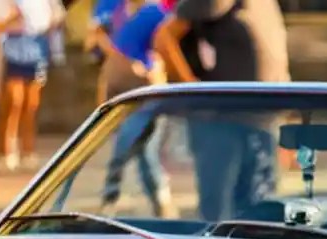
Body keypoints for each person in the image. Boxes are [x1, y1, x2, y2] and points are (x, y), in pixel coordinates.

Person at [153, 0, 290, 221]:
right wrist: (192, 87)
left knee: (263, 215)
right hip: (220, 121)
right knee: (219, 214)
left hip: (264, 121)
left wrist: (287, 120)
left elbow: (276, 57)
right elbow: (164, 38)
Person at [97, 0, 177, 217]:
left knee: (126, 143)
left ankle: (109, 196)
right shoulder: (114, 8)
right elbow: (99, 38)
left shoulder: (155, 12)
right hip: (123, 89)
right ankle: (161, 200)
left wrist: (155, 67)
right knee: (144, 151)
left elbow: (168, 42)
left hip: (147, 91)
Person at [0, 0, 65, 172]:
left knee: (31, 104)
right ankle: (7, 151)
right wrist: (9, 22)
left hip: (36, 50)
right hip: (10, 51)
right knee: (14, 100)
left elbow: (55, 17)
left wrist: (51, 24)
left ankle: (28, 151)